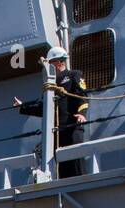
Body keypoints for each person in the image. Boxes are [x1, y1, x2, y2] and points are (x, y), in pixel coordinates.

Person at [14, 46, 90, 179]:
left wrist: (82, 113)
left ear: (59, 61)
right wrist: (23, 107)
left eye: (50, 62)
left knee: (76, 166)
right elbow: (43, 108)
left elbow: (82, 96)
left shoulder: (73, 75)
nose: (48, 66)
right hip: (56, 132)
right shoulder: (49, 84)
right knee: (63, 170)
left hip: (72, 128)